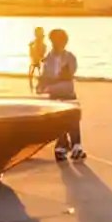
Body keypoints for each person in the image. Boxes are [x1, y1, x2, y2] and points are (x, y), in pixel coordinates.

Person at [36, 29, 85, 162]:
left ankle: (76, 146)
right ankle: (62, 145)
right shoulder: (47, 59)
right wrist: (41, 84)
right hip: (54, 94)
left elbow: (68, 74)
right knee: (58, 121)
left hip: (67, 92)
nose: (58, 44)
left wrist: (50, 80)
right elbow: (45, 76)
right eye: (55, 41)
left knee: (72, 119)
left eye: (61, 41)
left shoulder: (70, 57)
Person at [27, 27, 47, 92]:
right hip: (35, 59)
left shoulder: (41, 41)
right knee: (32, 73)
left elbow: (42, 50)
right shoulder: (36, 41)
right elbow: (32, 51)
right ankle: (32, 87)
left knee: (40, 73)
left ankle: (39, 86)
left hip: (39, 59)